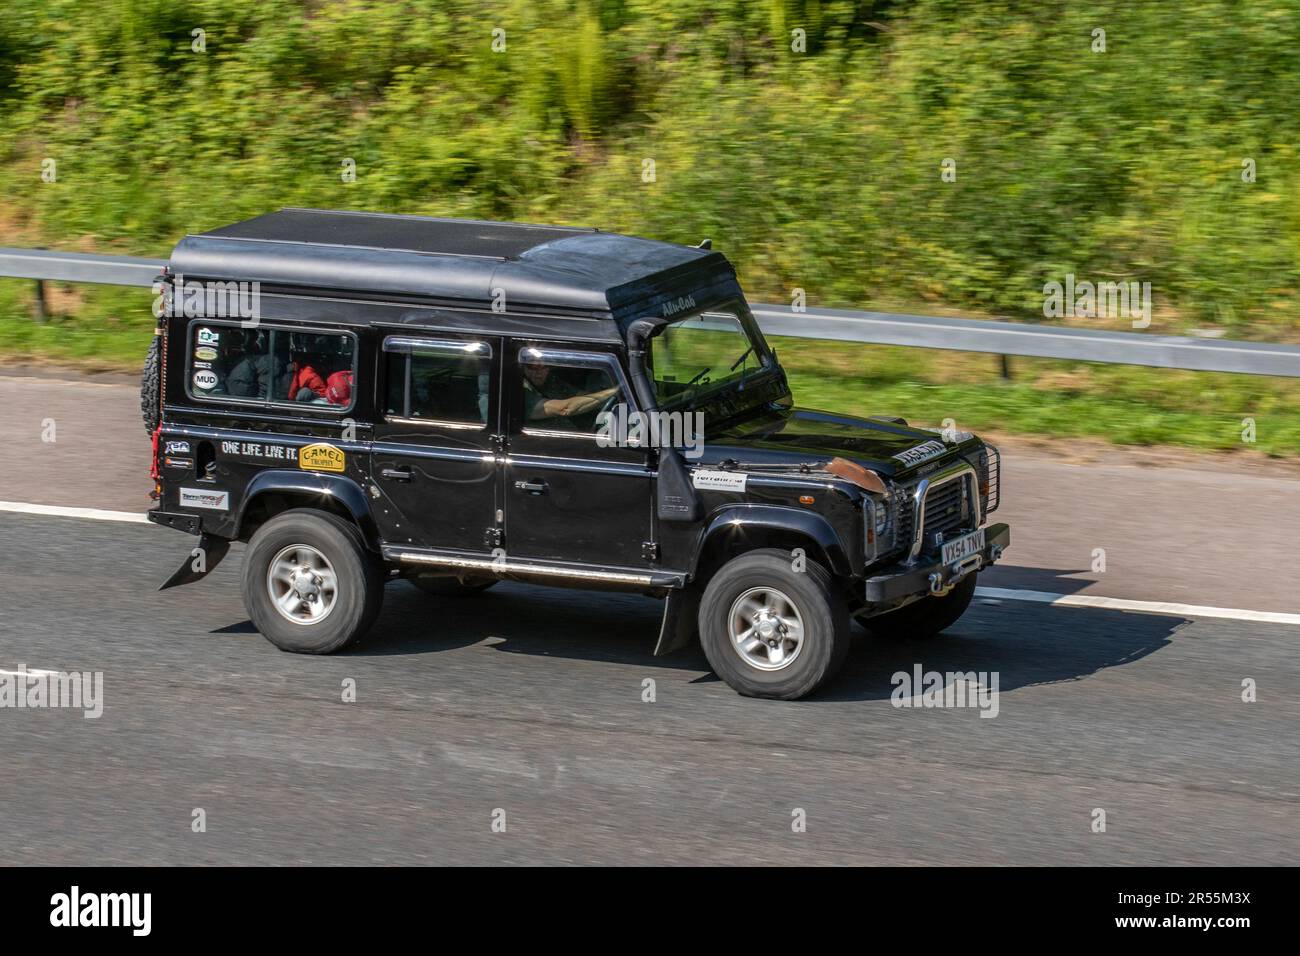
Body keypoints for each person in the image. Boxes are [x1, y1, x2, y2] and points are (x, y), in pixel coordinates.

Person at [521, 360, 619, 428]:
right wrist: (614, 391)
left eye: (544, 367)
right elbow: (564, 409)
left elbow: (581, 396)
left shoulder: (550, 380)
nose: (539, 372)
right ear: (523, 367)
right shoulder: (522, 391)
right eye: (532, 367)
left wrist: (613, 397)